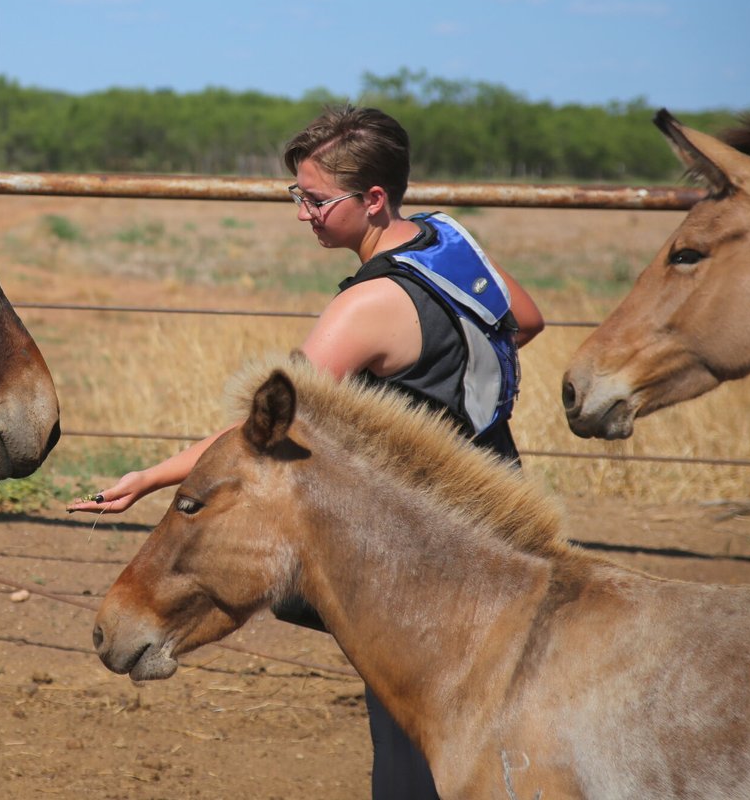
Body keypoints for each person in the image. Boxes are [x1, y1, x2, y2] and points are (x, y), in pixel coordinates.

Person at [68, 104, 544, 800]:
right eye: (299, 196)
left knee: (412, 747)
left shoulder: (365, 307)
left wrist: (151, 477)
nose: (304, 214)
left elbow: (263, 432)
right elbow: (524, 319)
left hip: (416, 561)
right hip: (500, 520)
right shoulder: (448, 244)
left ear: (373, 199)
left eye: (317, 200)